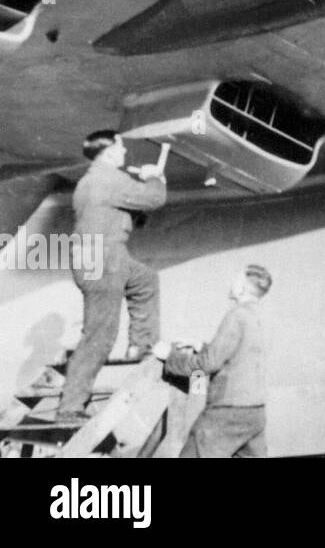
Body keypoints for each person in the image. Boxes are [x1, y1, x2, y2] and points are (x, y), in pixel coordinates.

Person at [56, 130, 167, 423]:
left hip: (96, 254)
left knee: (144, 280)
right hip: (104, 257)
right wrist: (155, 177)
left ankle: (140, 344)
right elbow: (154, 199)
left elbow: (126, 214)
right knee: (99, 335)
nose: (125, 153)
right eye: (121, 147)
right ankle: (70, 407)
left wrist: (140, 199)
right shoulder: (109, 178)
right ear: (107, 152)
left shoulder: (90, 181)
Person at [158, 265, 271, 458]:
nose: (231, 283)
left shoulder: (236, 315)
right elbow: (239, 354)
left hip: (227, 413)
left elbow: (208, 365)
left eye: (235, 280)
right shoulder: (258, 317)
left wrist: (170, 356)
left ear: (241, 288)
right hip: (255, 413)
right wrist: (202, 346)